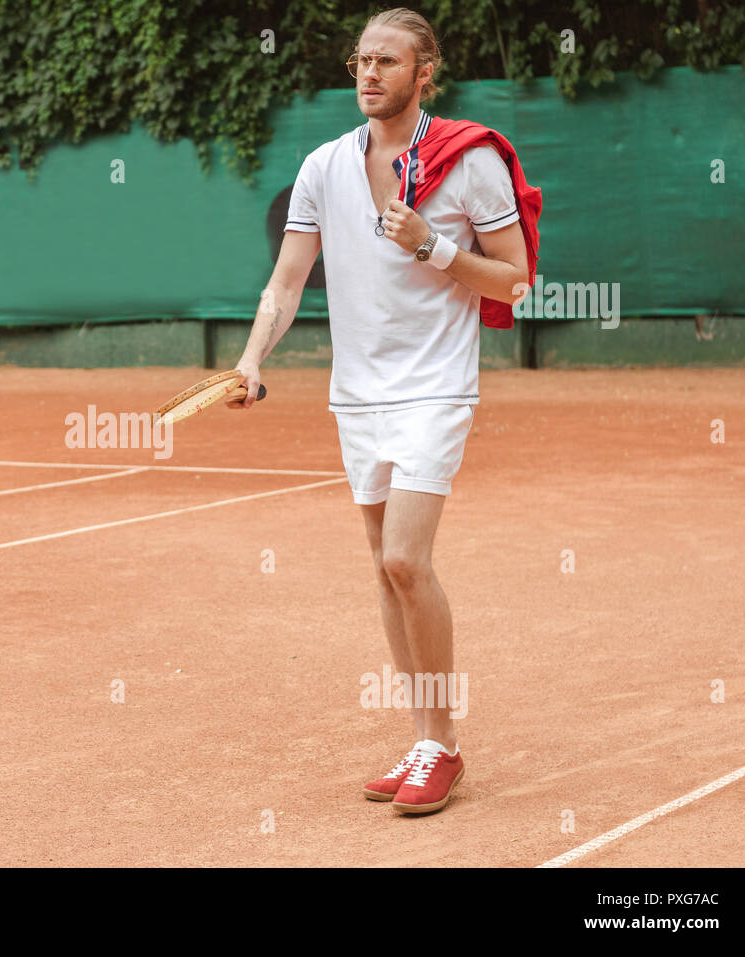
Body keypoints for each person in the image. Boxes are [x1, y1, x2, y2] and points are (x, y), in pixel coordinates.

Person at [230, 7, 537, 814]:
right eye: (362, 60)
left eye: (388, 62)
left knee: (406, 559)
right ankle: (423, 734)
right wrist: (253, 356)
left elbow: (515, 280)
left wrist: (433, 245)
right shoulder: (324, 166)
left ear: (423, 74)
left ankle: (443, 744)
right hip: (357, 396)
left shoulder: (466, 163)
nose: (370, 73)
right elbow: (288, 282)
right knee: (382, 567)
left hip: (435, 387)